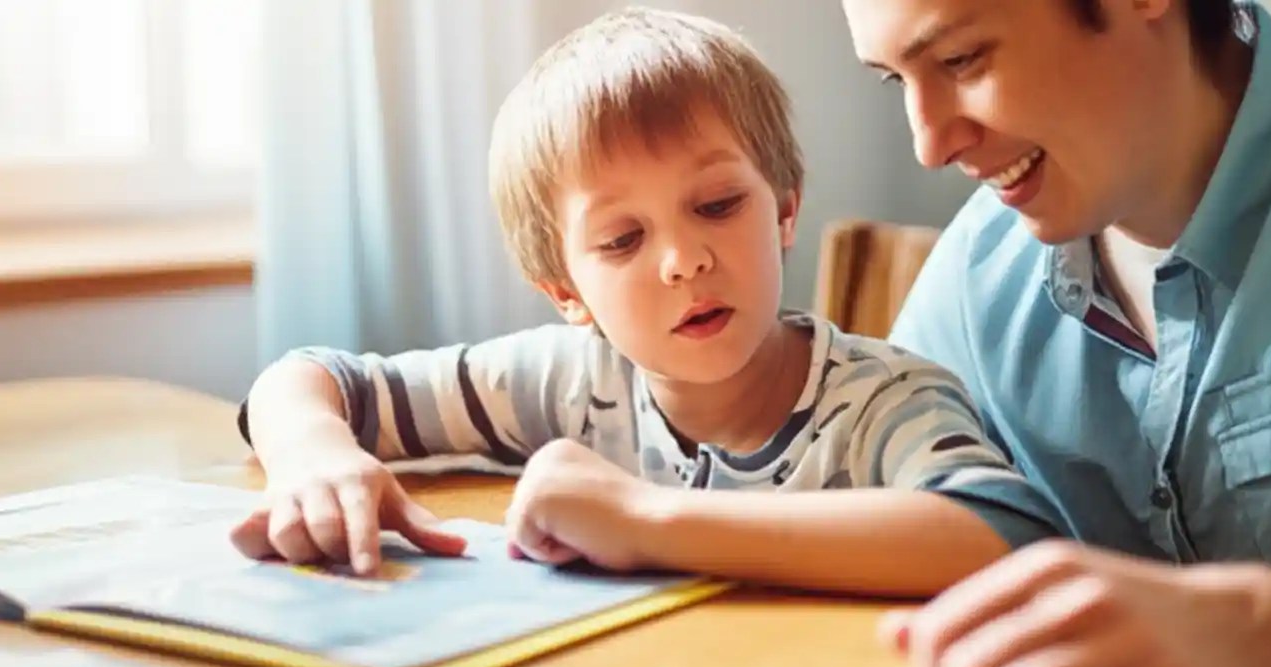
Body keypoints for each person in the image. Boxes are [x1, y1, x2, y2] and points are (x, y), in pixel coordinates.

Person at [227, 7, 1030, 598]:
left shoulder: (881, 402)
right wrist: (314, 456)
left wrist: (647, 520)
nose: (685, 261)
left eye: (718, 205)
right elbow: (310, 379)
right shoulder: (570, 381)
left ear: (785, 209)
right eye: (621, 242)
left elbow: (1004, 537)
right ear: (566, 291)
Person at [839, 0, 1271, 667]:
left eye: (960, 61)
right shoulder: (972, 287)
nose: (929, 144)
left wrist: (1257, 632)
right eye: (896, 80)